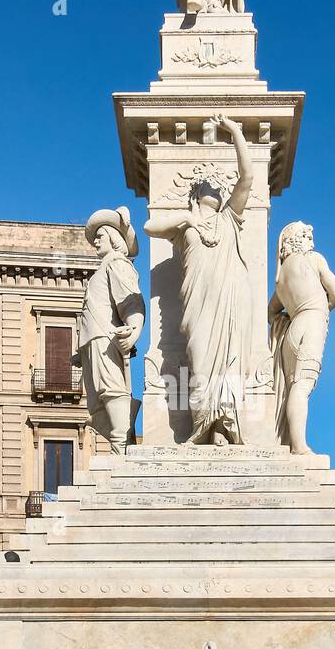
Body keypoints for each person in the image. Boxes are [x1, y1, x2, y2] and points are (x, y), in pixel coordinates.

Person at [145, 115, 254, 444]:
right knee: (200, 362)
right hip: (197, 306)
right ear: (195, 194)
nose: (214, 186)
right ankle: (201, 425)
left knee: (227, 365)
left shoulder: (229, 219)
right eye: (206, 184)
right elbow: (151, 227)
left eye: (218, 186)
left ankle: (221, 427)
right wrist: (187, 216)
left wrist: (235, 131)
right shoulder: (185, 224)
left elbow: (248, 177)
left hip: (229, 302)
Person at [269, 222, 335, 454]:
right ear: (298, 239)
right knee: (302, 388)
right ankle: (299, 446)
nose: (311, 239)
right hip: (311, 323)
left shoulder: (280, 280)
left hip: (293, 330)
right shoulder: (314, 259)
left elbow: (271, 313)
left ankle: (294, 443)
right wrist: (322, 310)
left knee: (294, 388)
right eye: (307, 235)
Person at [77, 207, 145, 454]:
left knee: (112, 390)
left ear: (114, 239)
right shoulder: (103, 268)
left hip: (104, 339)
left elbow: (131, 301)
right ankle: (121, 443)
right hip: (92, 342)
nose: (95, 241)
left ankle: (121, 447)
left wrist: (135, 329)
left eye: (100, 236)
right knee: (98, 403)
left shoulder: (117, 264)